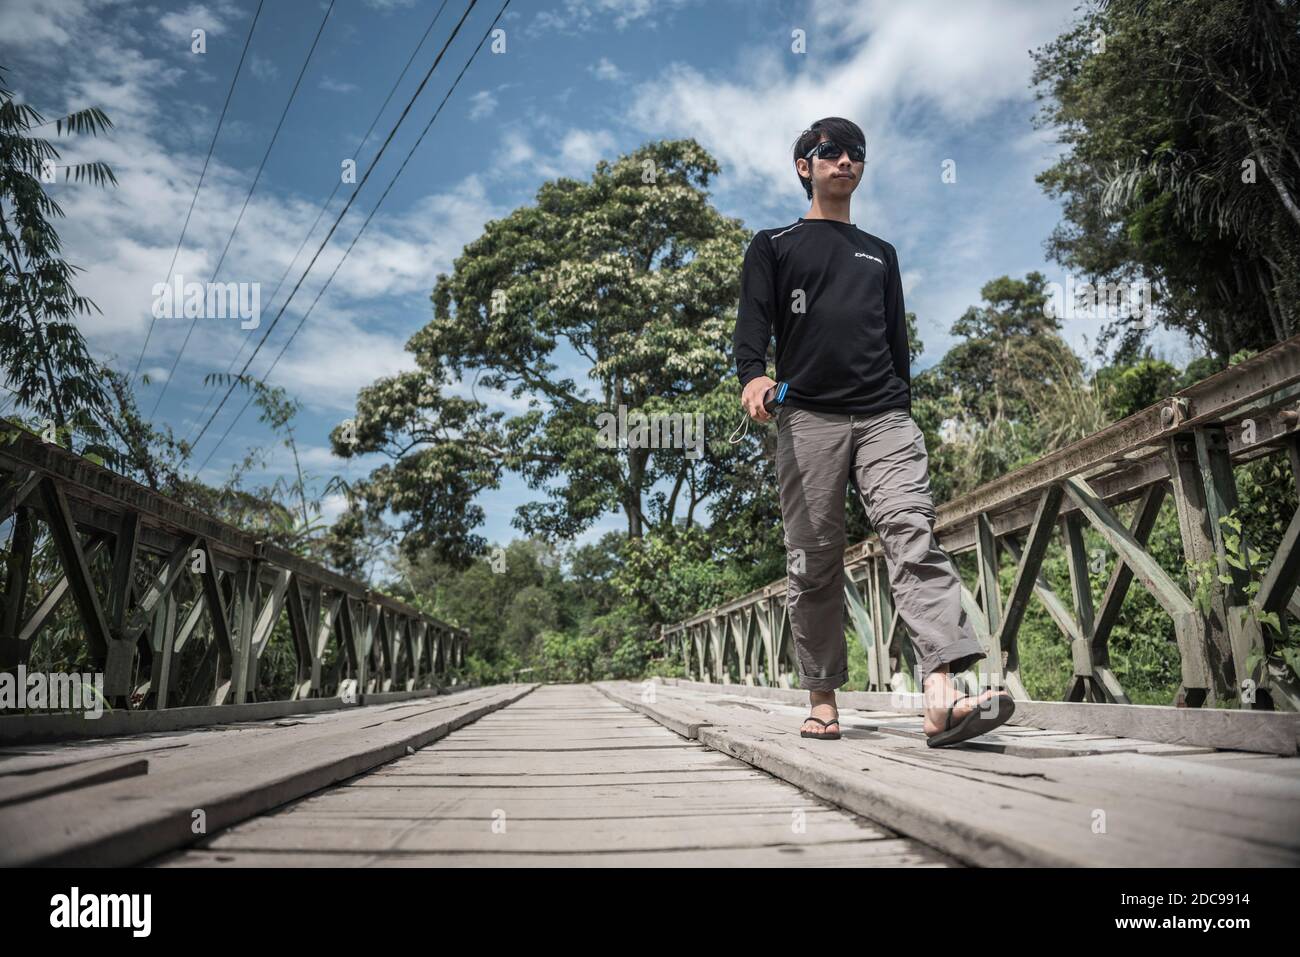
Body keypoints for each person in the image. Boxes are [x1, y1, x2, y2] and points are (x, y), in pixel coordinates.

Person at [732, 117, 1015, 748]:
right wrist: (753, 375)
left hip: (883, 414)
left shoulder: (879, 252)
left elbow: (895, 341)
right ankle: (822, 696)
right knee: (814, 559)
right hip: (808, 416)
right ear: (804, 166)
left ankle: (940, 694)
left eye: (855, 153)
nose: (845, 161)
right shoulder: (774, 244)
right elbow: (753, 320)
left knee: (912, 532)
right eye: (829, 151)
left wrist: (902, 409)